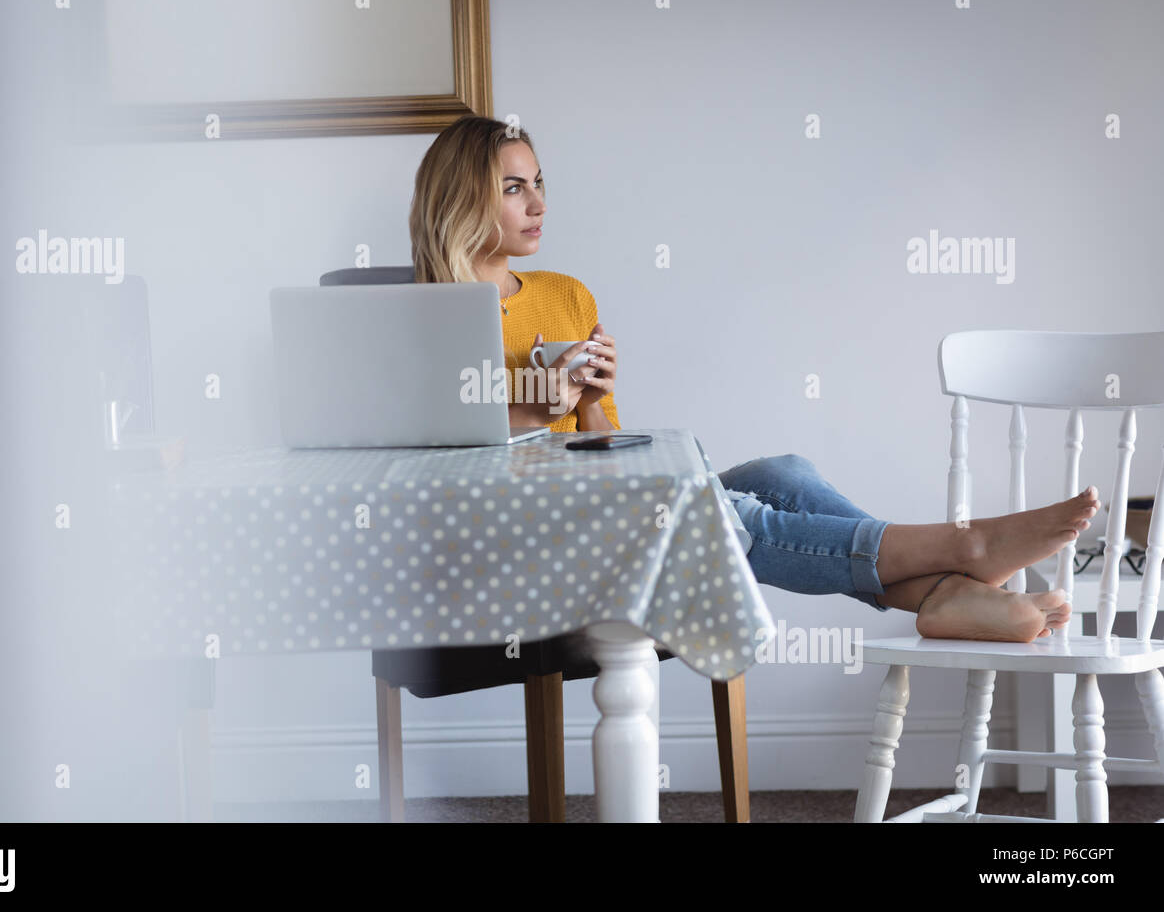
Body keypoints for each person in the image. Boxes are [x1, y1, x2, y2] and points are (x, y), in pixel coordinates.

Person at [408, 115, 1098, 642]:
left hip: (600, 511)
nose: (538, 203)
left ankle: (941, 595)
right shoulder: (419, 316)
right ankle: (962, 550)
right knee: (729, 518)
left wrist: (588, 404)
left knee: (785, 473)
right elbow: (427, 453)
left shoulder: (567, 294)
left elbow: (603, 449)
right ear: (464, 196)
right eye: (512, 188)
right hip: (523, 542)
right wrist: (535, 411)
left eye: (539, 184)